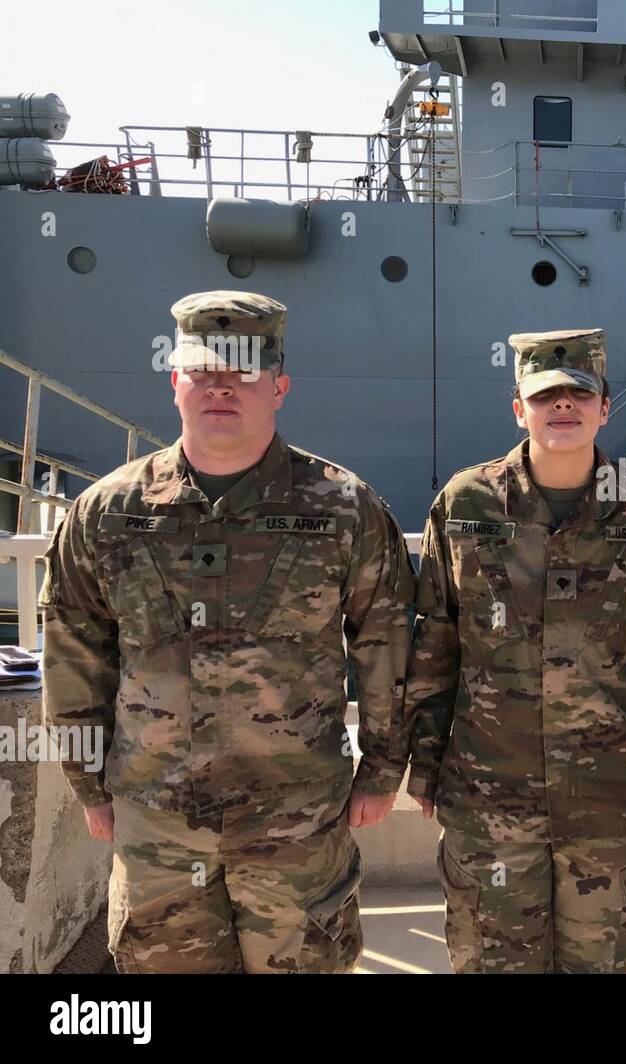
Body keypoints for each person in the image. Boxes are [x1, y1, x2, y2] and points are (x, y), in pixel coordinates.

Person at [40, 290, 415, 973]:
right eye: (203, 371)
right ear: (174, 380)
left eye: (242, 372)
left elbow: (387, 643)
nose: (221, 387)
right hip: (157, 822)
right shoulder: (107, 513)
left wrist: (383, 771)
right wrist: (89, 782)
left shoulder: (342, 508)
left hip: (297, 823)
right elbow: (73, 651)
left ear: (279, 386)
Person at [405, 329, 626, 973]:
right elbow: (436, 639)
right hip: (488, 792)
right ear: (518, 408)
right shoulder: (467, 504)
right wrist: (424, 759)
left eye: (578, 394)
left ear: (605, 407)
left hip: (613, 800)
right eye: (544, 394)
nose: (562, 406)